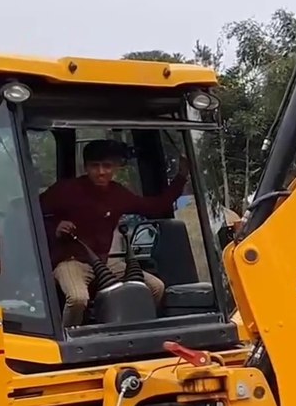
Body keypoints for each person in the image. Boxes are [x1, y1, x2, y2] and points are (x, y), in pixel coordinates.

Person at [40, 139, 188, 326]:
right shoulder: (66, 190)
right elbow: (30, 211)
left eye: (107, 166)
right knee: (78, 298)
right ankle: (69, 340)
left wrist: (182, 176)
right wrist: (55, 226)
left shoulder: (118, 194)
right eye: (95, 166)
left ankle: (138, 330)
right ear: (85, 167)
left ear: (115, 168)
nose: (101, 172)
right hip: (71, 261)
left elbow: (156, 206)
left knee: (156, 287)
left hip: (105, 262)